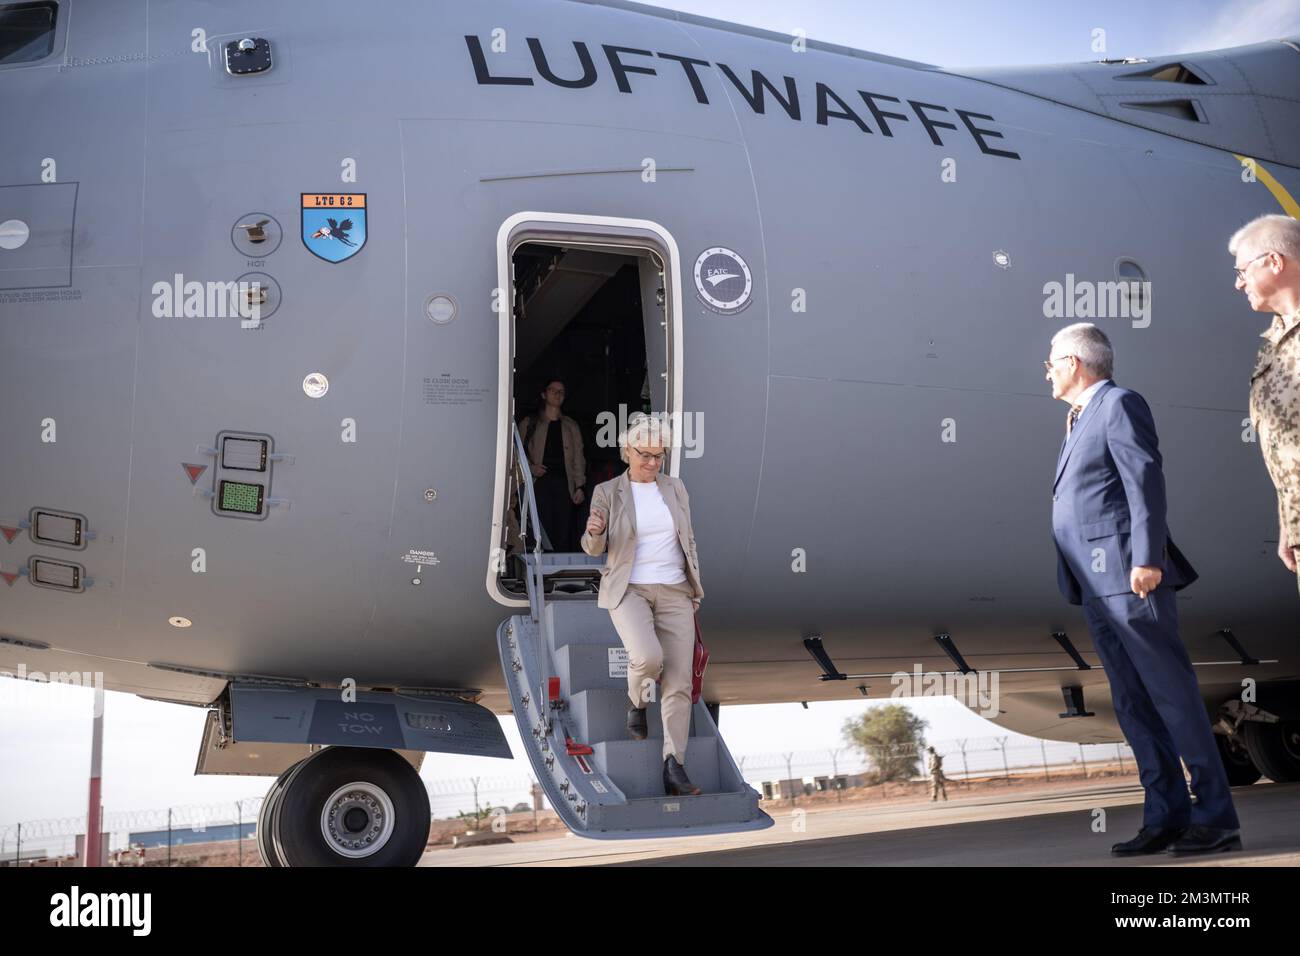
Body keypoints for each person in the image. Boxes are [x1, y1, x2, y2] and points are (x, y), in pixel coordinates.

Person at [1045, 322, 1241, 856]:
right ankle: (1167, 814)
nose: (1047, 371)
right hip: (1093, 584)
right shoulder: (1077, 419)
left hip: (1129, 576)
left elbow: (1143, 479)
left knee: (1171, 697)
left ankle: (1217, 817)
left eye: (1051, 362)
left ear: (1075, 364)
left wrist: (1148, 557)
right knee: (1133, 704)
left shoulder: (1119, 405)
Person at [581, 412, 705, 796]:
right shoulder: (607, 492)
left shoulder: (676, 488)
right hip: (629, 588)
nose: (652, 463)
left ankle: (674, 766)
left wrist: (693, 590)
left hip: (675, 591)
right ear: (627, 452)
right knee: (649, 660)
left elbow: (689, 539)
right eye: (645, 455)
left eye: (659, 456)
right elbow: (593, 548)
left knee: (680, 681)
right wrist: (594, 532)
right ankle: (637, 702)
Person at [1230, 214, 1300, 580]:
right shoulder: (1272, 343)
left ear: (1274, 262)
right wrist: (1288, 522)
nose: (1238, 284)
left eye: (1243, 272)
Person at [519, 379, 586, 552]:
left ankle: (560, 567)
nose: (557, 394)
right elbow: (517, 453)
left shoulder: (571, 425)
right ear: (544, 394)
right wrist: (532, 468)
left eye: (561, 391)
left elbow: (578, 458)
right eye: (553, 390)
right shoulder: (530, 422)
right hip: (538, 483)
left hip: (565, 484)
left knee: (563, 529)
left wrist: (579, 486)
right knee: (541, 527)